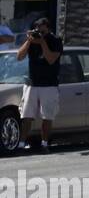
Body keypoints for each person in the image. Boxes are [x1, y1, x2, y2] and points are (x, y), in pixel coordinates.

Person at [16, 17, 62, 149]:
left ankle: (44, 143)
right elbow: (19, 57)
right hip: (32, 84)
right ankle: (21, 143)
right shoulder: (32, 41)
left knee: (47, 116)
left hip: (49, 85)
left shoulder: (55, 40)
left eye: (41, 29)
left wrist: (42, 43)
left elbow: (51, 59)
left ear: (47, 28)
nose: (39, 32)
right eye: (37, 29)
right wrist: (29, 41)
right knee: (26, 115)